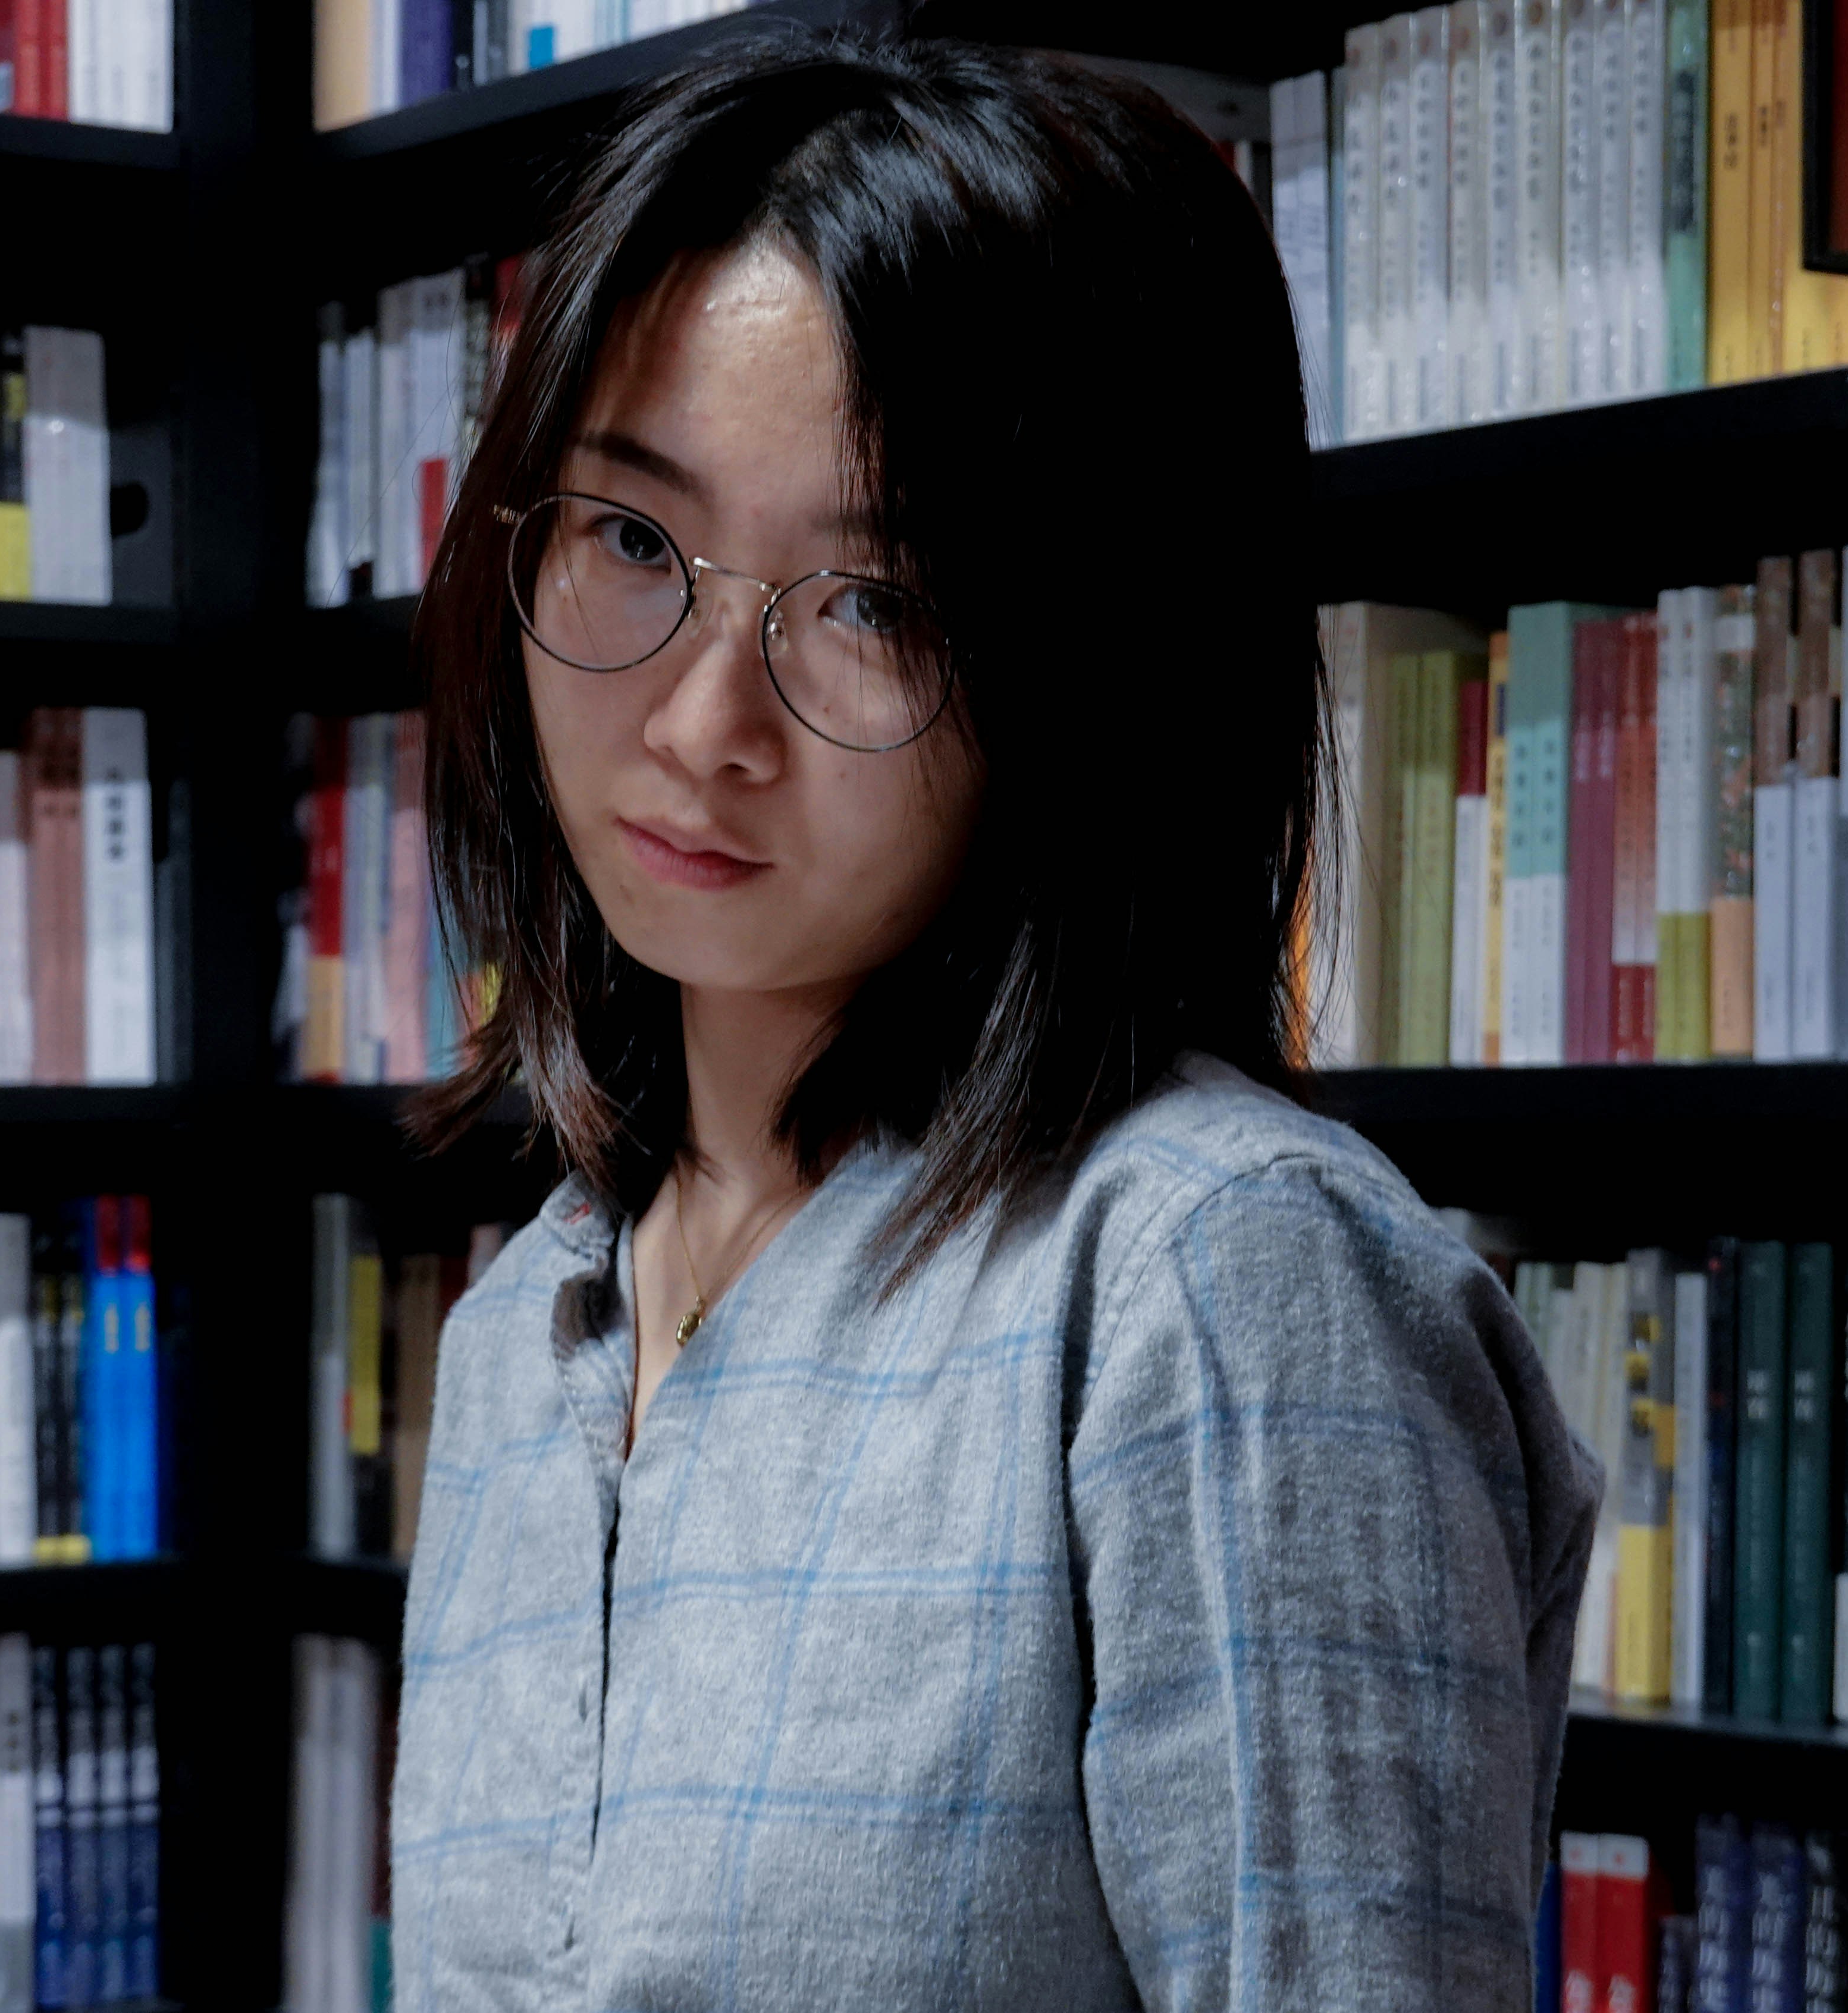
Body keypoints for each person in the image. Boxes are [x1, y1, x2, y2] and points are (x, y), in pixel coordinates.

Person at [390, 29, 1599, 2009]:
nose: (702, 728)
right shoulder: (535, 1320)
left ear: (1095, 677)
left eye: (873, 604)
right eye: (630, 540)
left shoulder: (1213, 1277)